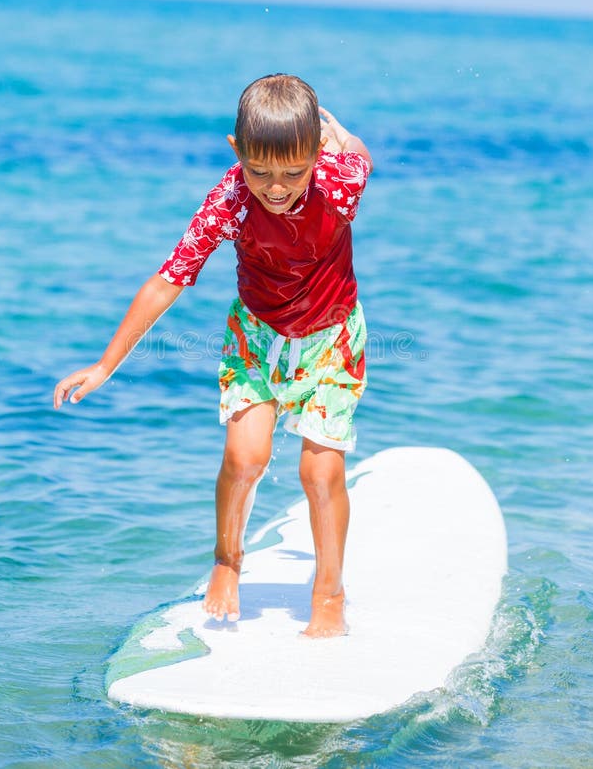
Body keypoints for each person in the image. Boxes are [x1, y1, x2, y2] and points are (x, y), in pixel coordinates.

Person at [53, 74, 373, 638]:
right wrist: (106, 364)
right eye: (260, 171)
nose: (276, 188)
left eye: (293, 173)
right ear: (236, 151)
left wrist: (344, 137)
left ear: (318, 156)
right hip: (256, 337)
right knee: (244, 457)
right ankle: (227, 560)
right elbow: (167, 281)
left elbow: (362, 158)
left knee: (320, 471)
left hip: (332, 339)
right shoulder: (229, 200)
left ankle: (329, 594)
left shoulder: (339, 182)